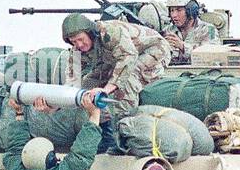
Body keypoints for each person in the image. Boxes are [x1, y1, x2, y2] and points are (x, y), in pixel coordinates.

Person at [59, 13, 170, 150]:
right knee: (88, 85)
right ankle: (106, 136)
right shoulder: (78, 50)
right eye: (74, 41)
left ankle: (125, 136)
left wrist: (106, 90)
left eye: (81, 39)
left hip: (152, 50)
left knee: (127, 81)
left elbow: (128, 57)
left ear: (90, 33)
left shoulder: (110, 32)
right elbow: (72, 83)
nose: (79, 44)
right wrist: (55, 103)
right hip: (116, 58)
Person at [163, 0, 220, 65]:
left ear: (191, 11)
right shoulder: (168, 31)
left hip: (201, 75)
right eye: (172, 10)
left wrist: (183, 47)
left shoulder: (209, 30)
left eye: (179, 10)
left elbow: (212, 57)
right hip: (172, 75)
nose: (174, 15)